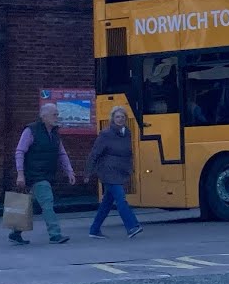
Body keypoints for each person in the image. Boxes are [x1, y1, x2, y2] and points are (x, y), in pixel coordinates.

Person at [10, 103, 76, 245]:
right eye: (54, 114)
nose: (57, 117)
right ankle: (55, 234)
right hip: (35, 174)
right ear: (43, 116)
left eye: (57, 114)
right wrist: (20, 174)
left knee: (30, 204)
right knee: (47, 202)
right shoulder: (31, 130)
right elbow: (20, 151)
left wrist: (69, 171)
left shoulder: (55, 133)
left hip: (46, 174)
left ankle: (16, 232)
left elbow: (62, 153)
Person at [85, 106, 142, 239]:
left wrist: (129, 168)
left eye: (122, 117)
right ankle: (132, 226)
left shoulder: (127, 133)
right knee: (121, 199)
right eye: (117, 117)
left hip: (120, 171)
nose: (120, 119)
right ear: (112, 119)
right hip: (108, 171)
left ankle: (94, 229)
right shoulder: (106, 134)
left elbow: (127, 153)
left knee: (107, 203)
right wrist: (88, 172)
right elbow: (95, 153)